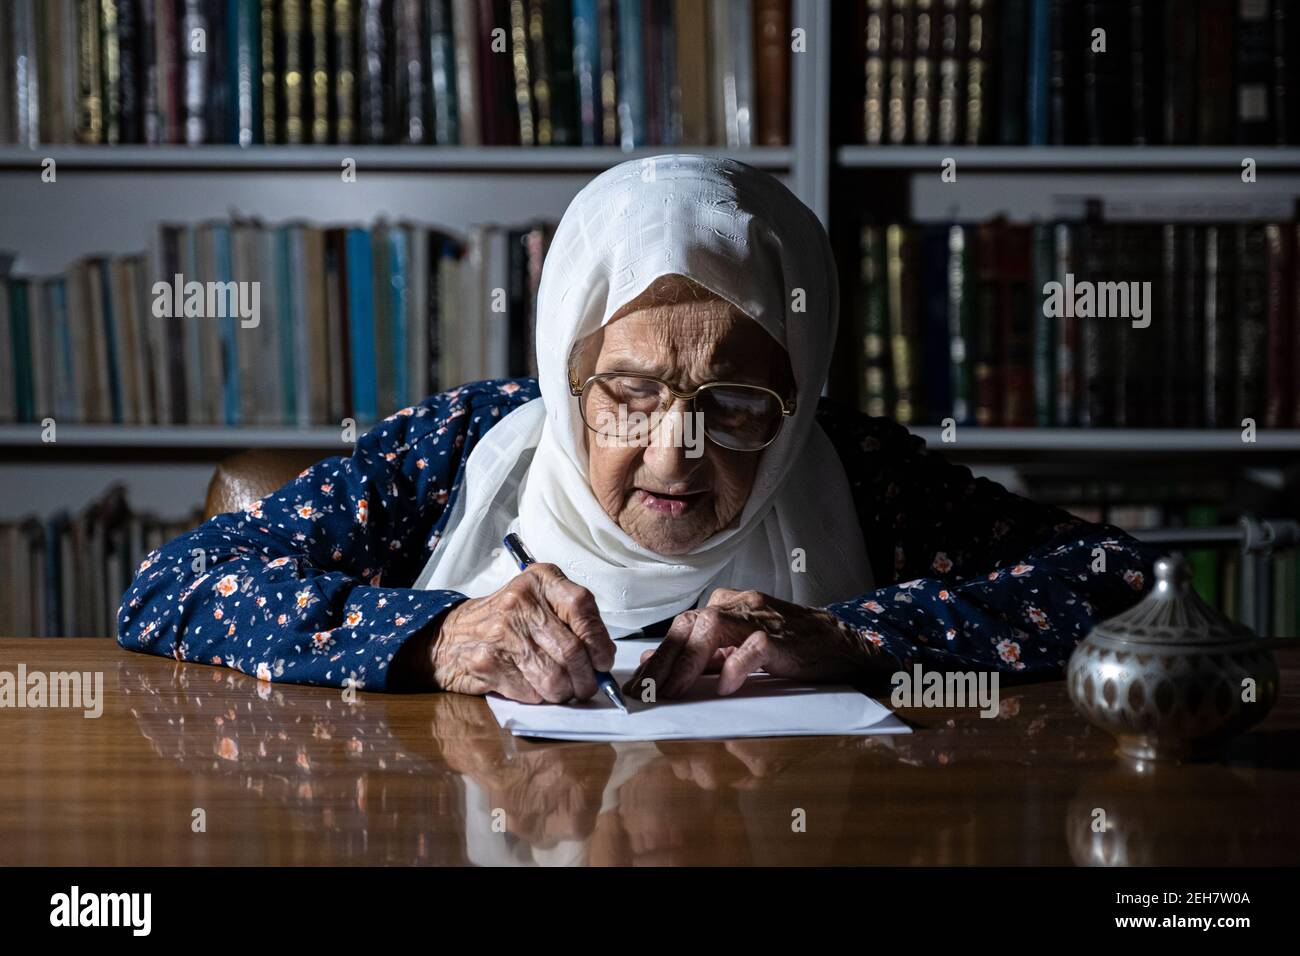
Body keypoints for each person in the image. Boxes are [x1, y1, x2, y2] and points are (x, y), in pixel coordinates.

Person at [118, 154, 1156, 702]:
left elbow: (1117, 579)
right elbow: (172, 587)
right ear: (563, 370)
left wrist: (855, 639)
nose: (674, 454)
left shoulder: (857, 469)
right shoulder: (464, 450)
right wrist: (436, 634)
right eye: (627, 391)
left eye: (738, 406)